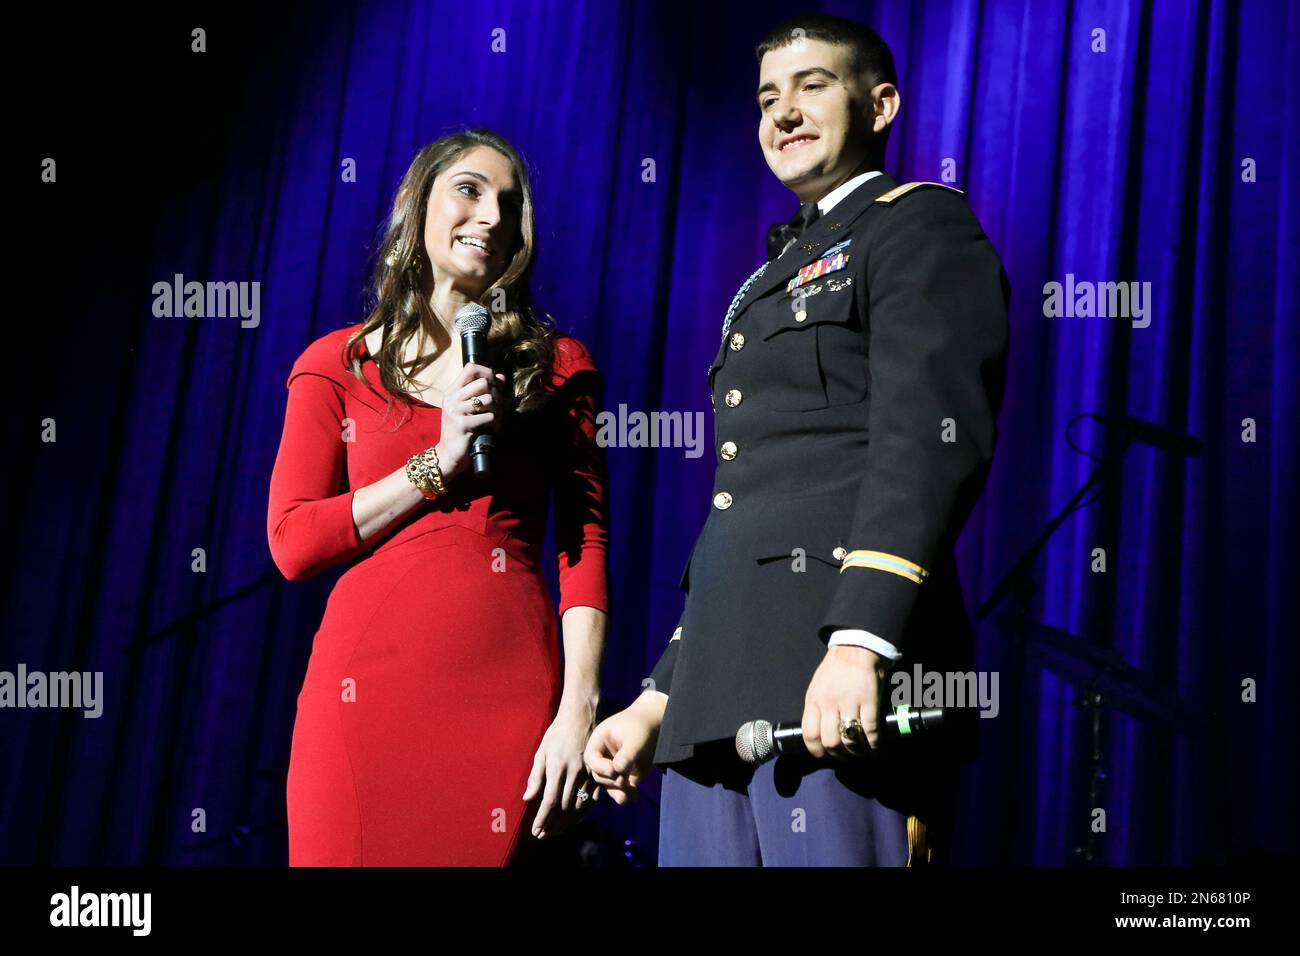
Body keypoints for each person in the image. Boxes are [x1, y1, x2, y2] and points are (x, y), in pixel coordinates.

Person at [585, 14, 1010, 866]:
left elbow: (925, 446)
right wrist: (656, 700)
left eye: (812, 86)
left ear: (880, 104)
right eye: (767, 99)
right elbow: (746, 508)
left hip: (838, 685)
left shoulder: (917, 226)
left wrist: (861, 642)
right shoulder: (771, 275)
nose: (783, 114)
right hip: (716, 702)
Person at [267, 128, 609, 865]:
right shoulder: (336, 365)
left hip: (508, 694)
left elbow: (584, 551)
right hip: (362, 698)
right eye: (469, 190)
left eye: (509, 205)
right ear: (417, 208)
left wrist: (577, 711)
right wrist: (438, 463)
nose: (491, 215)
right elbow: (293, 543)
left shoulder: (559, 369)